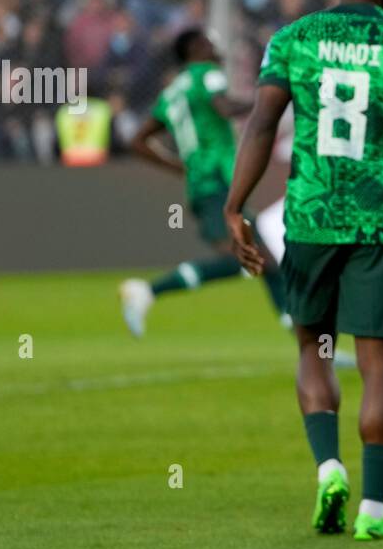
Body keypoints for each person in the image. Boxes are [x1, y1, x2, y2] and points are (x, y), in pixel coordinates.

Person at [225, 0, 383, 542]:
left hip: (310, 216)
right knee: (378, 365)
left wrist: (236, 206)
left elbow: (262, 125)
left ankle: (328, 468)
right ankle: (372, 509)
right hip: (379, 220)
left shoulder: (294, 40)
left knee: (311, 348)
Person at [120, 29, 285, 336]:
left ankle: (314, 351)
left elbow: (138, 141)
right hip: (218, 185)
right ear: (196, 48)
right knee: (246, 258)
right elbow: (225, 107)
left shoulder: (172, 92)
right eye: (209, 43)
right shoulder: (208, 74)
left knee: (265, 260)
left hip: (204, 185)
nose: (215, 47)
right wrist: (270, 97)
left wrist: (179, 167)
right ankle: (148, 291)